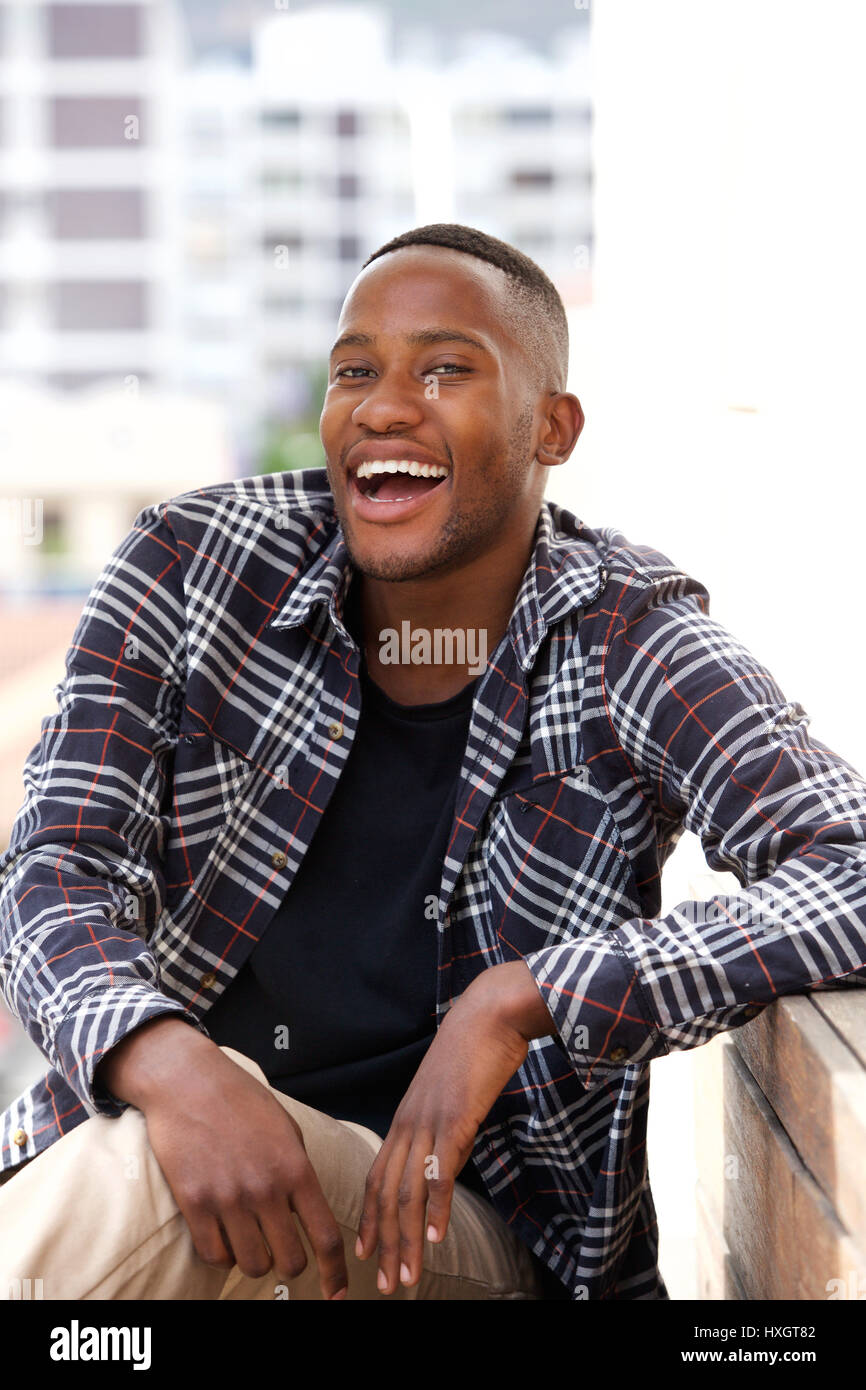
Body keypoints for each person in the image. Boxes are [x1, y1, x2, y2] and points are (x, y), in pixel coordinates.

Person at [1, 223, 865, 1303]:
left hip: (448, 1235)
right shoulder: (190, 568)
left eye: (445, 367)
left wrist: (523, 998)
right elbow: (55, 870)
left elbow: (852, 862)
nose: (382, 404)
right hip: (174, 1155)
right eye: (352, 369)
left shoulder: (621, 639)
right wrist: (168, 1061)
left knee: (148, 1179)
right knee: (146, 1166)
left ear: (552, 426)